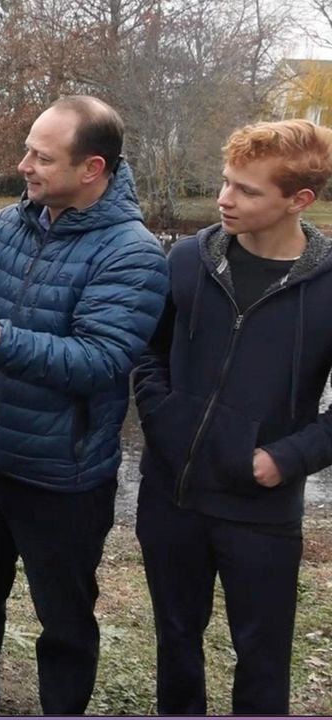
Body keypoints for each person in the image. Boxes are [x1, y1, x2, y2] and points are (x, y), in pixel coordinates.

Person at [0, 95, 169, 714]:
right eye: (28, 149)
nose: (24, 165)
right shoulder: (7, 224)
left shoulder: (132, 253)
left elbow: (101, 360)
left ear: (92, 168)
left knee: (64, 622)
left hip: (63, 474)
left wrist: (4, 341)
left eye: (42, 157)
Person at [132, 119, 332, 714]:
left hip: (261, 509)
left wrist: (286, 459)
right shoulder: (190, 258)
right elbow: (149, 354)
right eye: (225, 182)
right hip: (172, 496)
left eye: (247, 190)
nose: (224, 199)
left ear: (300, 200)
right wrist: (164, 422)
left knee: (263, 656)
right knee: (175, 643)